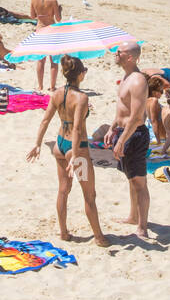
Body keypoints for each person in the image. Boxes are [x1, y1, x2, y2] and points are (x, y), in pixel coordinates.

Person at [27, 57, 109, 246]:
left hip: (59, 144)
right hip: (76, 149)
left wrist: (38, 143)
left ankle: (63, 232)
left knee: (63, 190)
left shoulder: (57, 93)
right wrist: (75, 156)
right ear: (80, 74)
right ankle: (98, 237)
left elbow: (45, 120)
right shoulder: (82, 98)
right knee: (89, 195)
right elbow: (78, 129)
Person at [105, 41, 151, 239]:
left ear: (130, 57)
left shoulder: (138, 81)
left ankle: (142, 227)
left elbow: (137, 116)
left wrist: (123, 139)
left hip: (135, 135)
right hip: (124, 133)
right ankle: (133, 216)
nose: (115, 54)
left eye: (119, 52)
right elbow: (122, 109)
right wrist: (112, 127)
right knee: (131, 178)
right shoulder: (127, 77)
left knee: (139, 182)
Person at [30, 0, 62, 91]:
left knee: (40, 60)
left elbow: (32, 16)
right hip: (51, 30)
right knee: (53, 61)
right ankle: (52, 87)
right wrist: (60, 10)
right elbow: (58, 19)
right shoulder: (53, 1)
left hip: (40, 30)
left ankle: (40, 85)